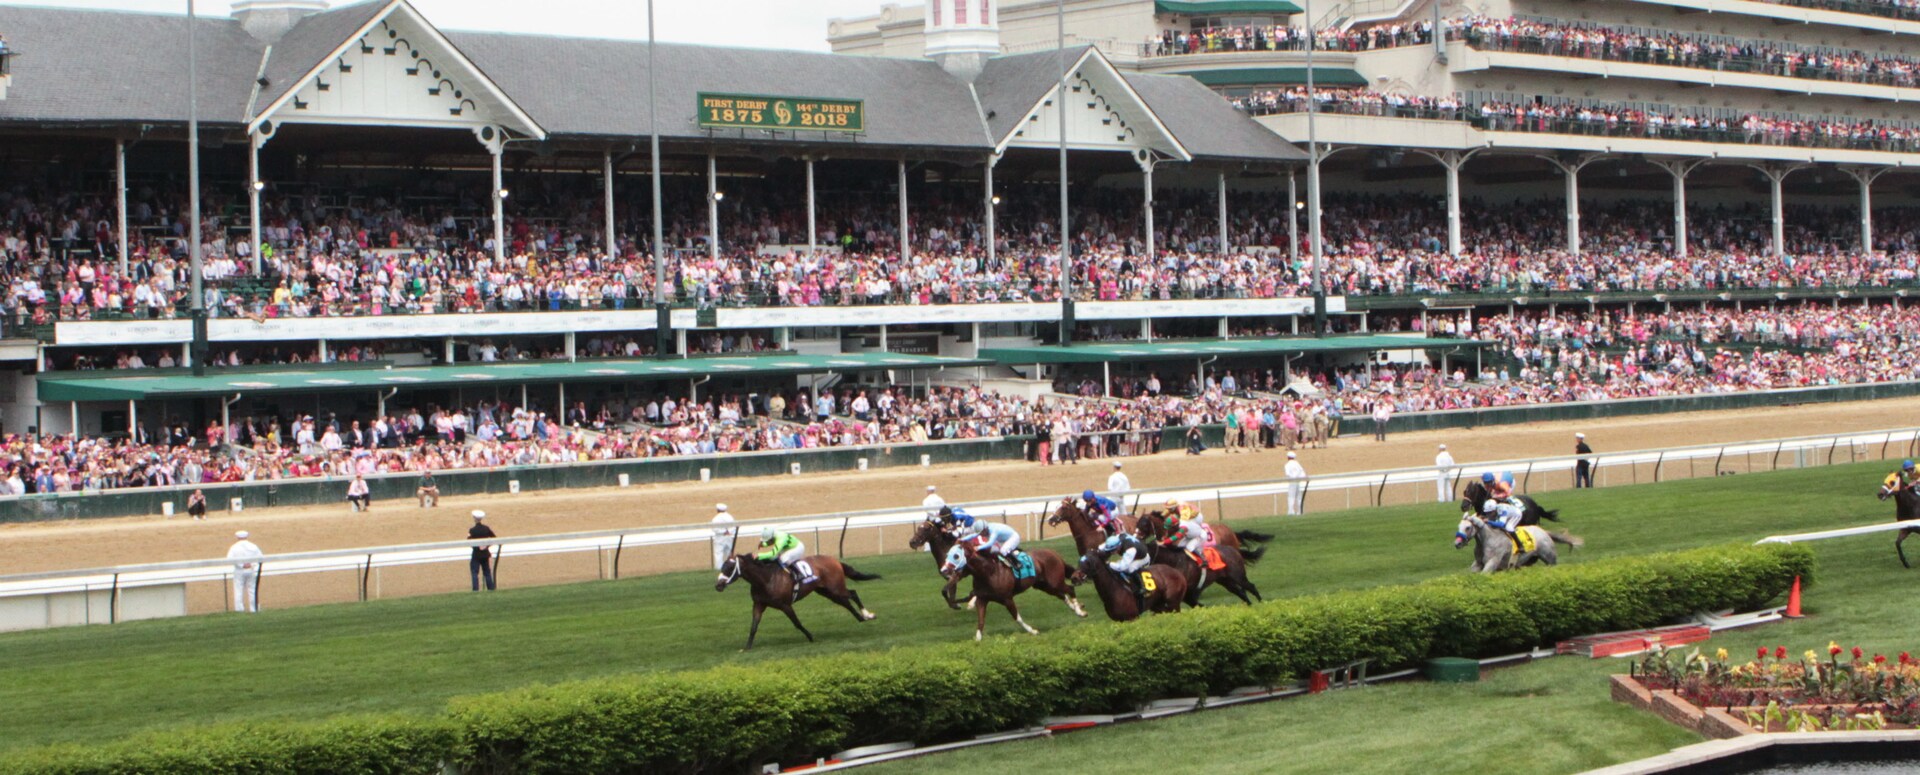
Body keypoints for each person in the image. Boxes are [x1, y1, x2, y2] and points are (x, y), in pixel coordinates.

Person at [1097, 531, 1152, 601]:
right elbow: (1103, 546)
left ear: (1118, 547)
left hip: (1142, 558)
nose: (1112, 553)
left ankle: (1143, 587)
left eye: (1113, 551)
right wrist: (1097, 551)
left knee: (1130, 569)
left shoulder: (1130, 550)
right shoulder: (1118, 537)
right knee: (1117, 564)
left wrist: (1108, 563)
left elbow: (1122, 567)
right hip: (1135, 552)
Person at [227, 530, 264, 613]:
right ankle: (254, 609)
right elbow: (260, 557)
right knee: (252, 590)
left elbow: (229, 559)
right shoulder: (253, 546)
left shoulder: (234, 547)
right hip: (251, 570)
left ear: (237, 537)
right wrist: (252, 564)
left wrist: (241, 565)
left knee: (238, 590)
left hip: (239, 571)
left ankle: (239, 609)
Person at [468, 510, 497, 591]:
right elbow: (494, 538)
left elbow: (469, 542)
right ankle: (491, 588)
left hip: (476, 554)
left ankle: (475, 589)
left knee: (474, 573)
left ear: (474, 518)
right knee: (487, 572)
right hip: (485, 554)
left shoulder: (472, 530)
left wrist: (477, 548)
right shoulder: (486, 528)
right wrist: (486, 546)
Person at [710, 503, 737, 571]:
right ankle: (731, 567)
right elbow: (733, 526)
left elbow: (714, 528)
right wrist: (729, 532)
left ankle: (719, 568)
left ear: (718, 510)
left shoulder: (716, 518)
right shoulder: (730, 517)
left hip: (720, 537)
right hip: (729, 537)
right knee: (729, 552)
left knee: (718, 553)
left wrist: (723, 532)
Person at [1284, 451, 1308, 515]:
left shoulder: (1287, 464)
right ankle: (1300, 511)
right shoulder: (1297, 463)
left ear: (1288, 457)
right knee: (1298, 497)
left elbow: (1287, 474)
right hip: (1298, 482)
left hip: (1292, 482)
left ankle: (1291, 512)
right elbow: (1302, 472)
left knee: (1291, 497)